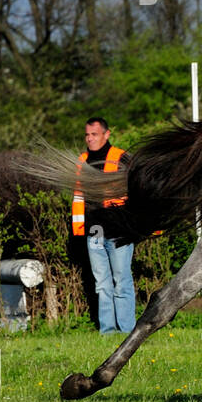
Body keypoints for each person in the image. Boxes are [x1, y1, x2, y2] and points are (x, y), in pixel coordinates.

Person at [72, 117, 136, 334]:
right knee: (102, 284)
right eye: (87, 135)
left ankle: (127, 331)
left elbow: (138, 191)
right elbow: (78, 197)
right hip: (95, 232)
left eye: (94, 134)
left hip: (119, 231)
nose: (90, 139)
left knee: (122, 282)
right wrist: (80, 229)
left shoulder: (122, 158)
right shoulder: (82, 161)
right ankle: (108, 331)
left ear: (107, 135)